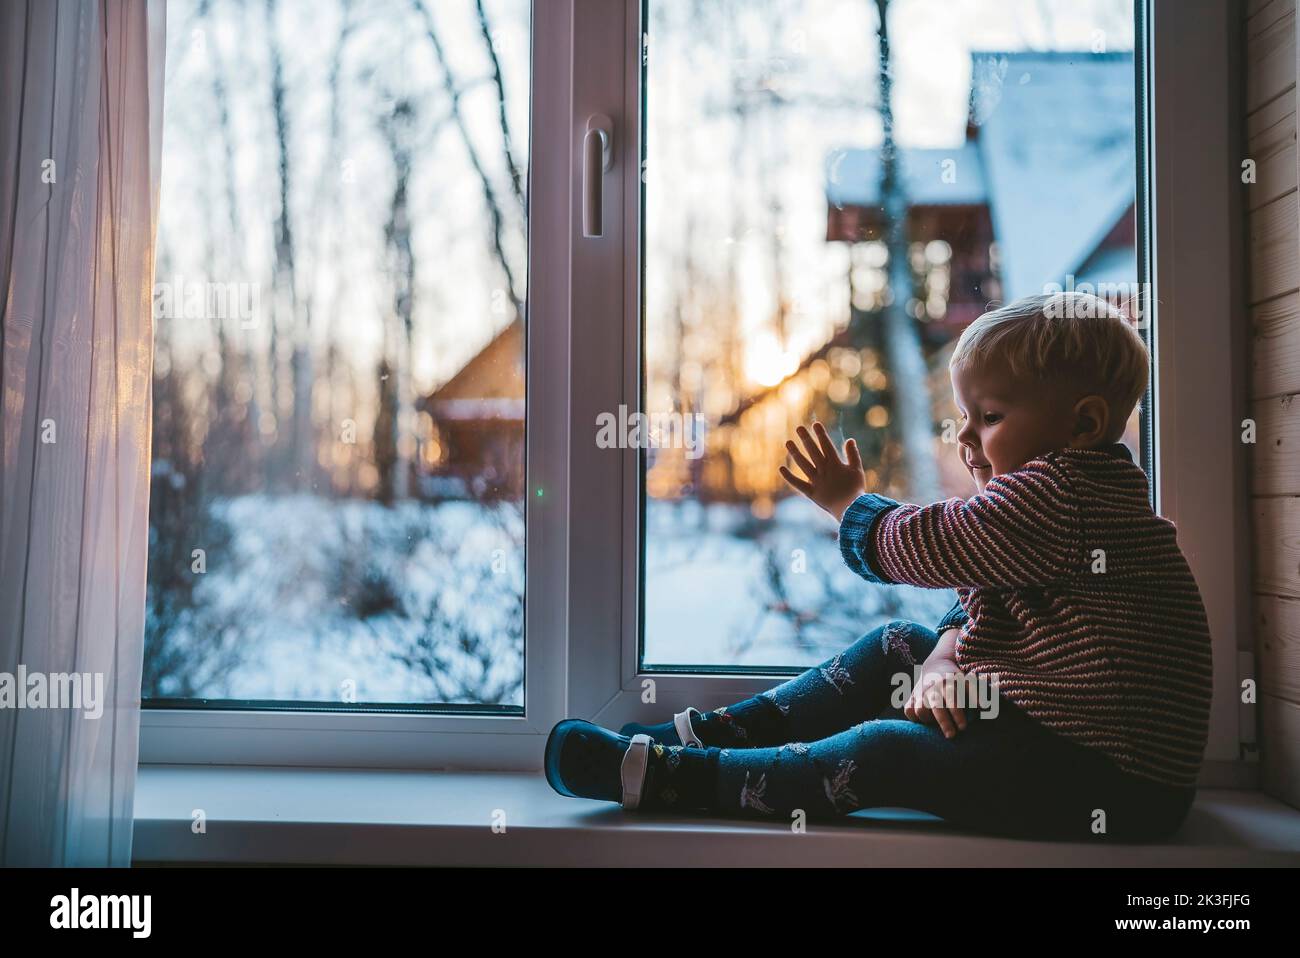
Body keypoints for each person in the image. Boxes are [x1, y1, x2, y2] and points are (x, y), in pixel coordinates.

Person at [544, 292, 1212, 842]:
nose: (967, 439)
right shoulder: (1078, 495)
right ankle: (691, 739)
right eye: (962, 418)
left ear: (1083, 423)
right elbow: (987, 585)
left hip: (1109, 783)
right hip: (1062, 743)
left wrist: (850, 506)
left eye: (991, 416)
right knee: (901, 646)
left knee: (888, 751)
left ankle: (669, 777)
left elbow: (937, 543)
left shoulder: (1064, 493)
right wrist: (948, 654)